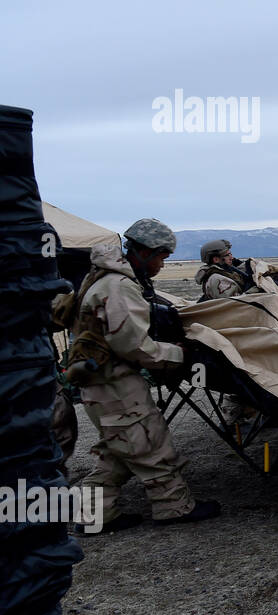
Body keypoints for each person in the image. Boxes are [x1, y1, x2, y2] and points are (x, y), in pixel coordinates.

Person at [69, 218, 220, 533]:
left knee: (119, 447)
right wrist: (179, 354)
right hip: (115, 383)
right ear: (146, 252)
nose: (162, 265)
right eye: (162, 257)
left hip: (102, 382)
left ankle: (94, 516)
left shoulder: (103, 278)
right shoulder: (119, 286)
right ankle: (174, 508)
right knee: (150, 444)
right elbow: (135, 347)